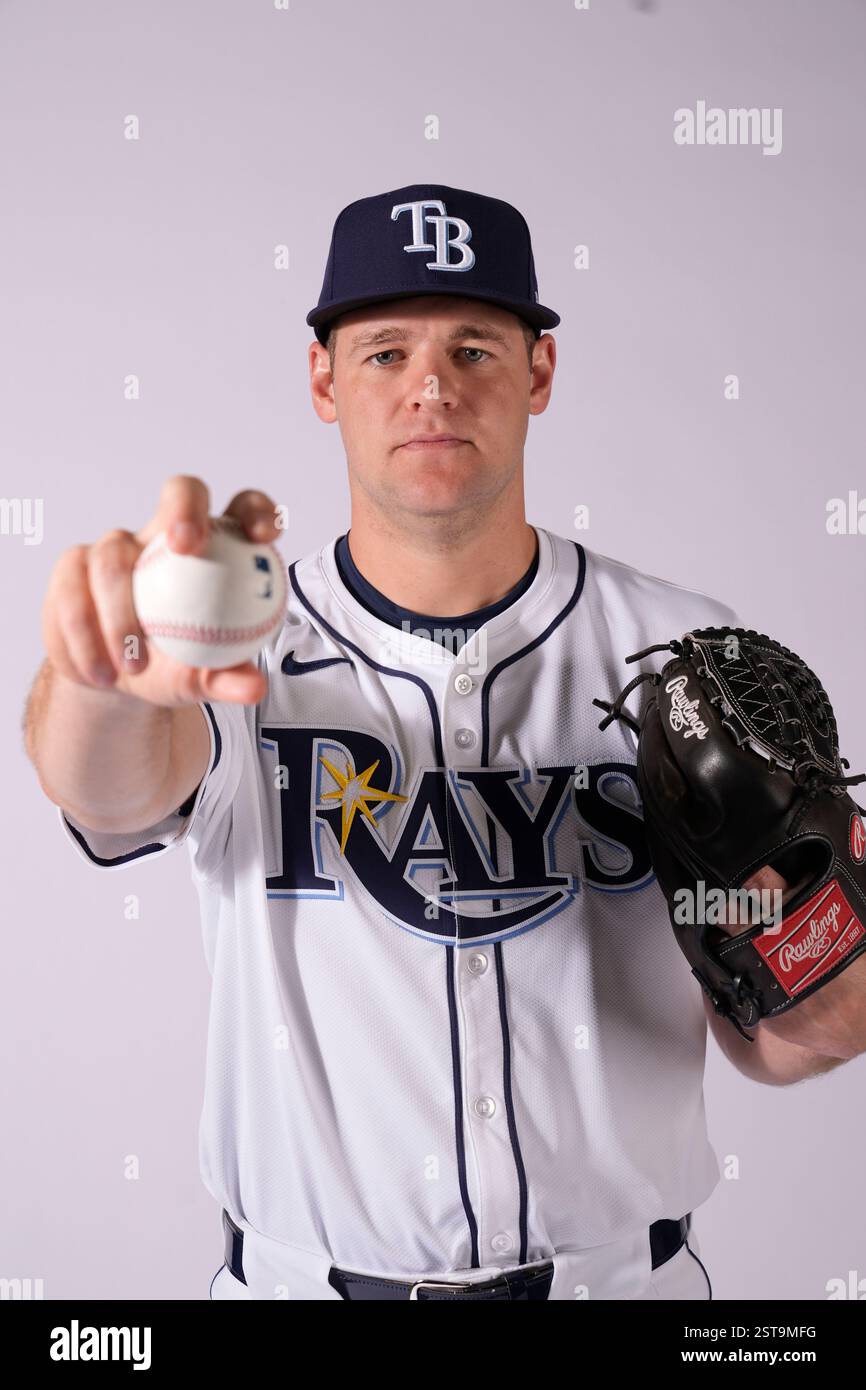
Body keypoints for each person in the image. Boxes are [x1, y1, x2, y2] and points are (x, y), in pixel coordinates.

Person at [24, 184, 849, 1301]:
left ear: (538, 372)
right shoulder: (228, 641)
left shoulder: (685, 662)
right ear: (322, 378)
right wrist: (103, 680)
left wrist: (828, 993)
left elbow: (770, 1036)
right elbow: (107, 792)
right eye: (383, 351)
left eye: (472, 346)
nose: (430, 385)